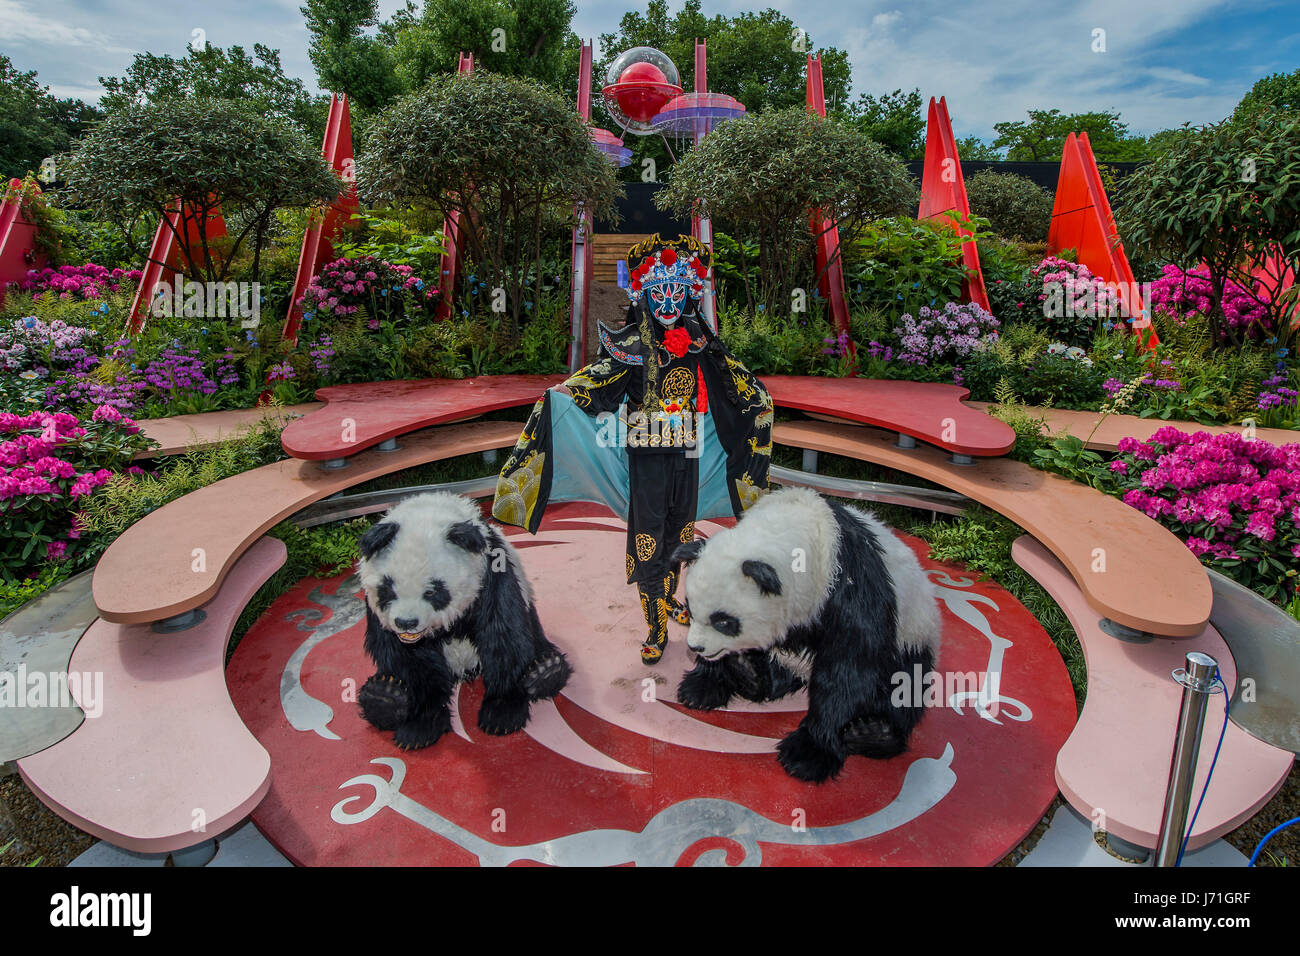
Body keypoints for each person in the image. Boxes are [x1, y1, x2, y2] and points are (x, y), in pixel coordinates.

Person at [492, 234, 772, 664]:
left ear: (688, 294)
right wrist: (561, 395)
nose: (667, 302)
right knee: (647, 538)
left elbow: (734, 381)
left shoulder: (700, 339)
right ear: (643, 295)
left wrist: (757, 399)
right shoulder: (632, 346)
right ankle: (656, 624)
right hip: (647, 459)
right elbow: (598, 379)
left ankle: (669, 599)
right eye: (658, 293)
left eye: (676, 292)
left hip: (689, 453)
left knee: (680, 531)